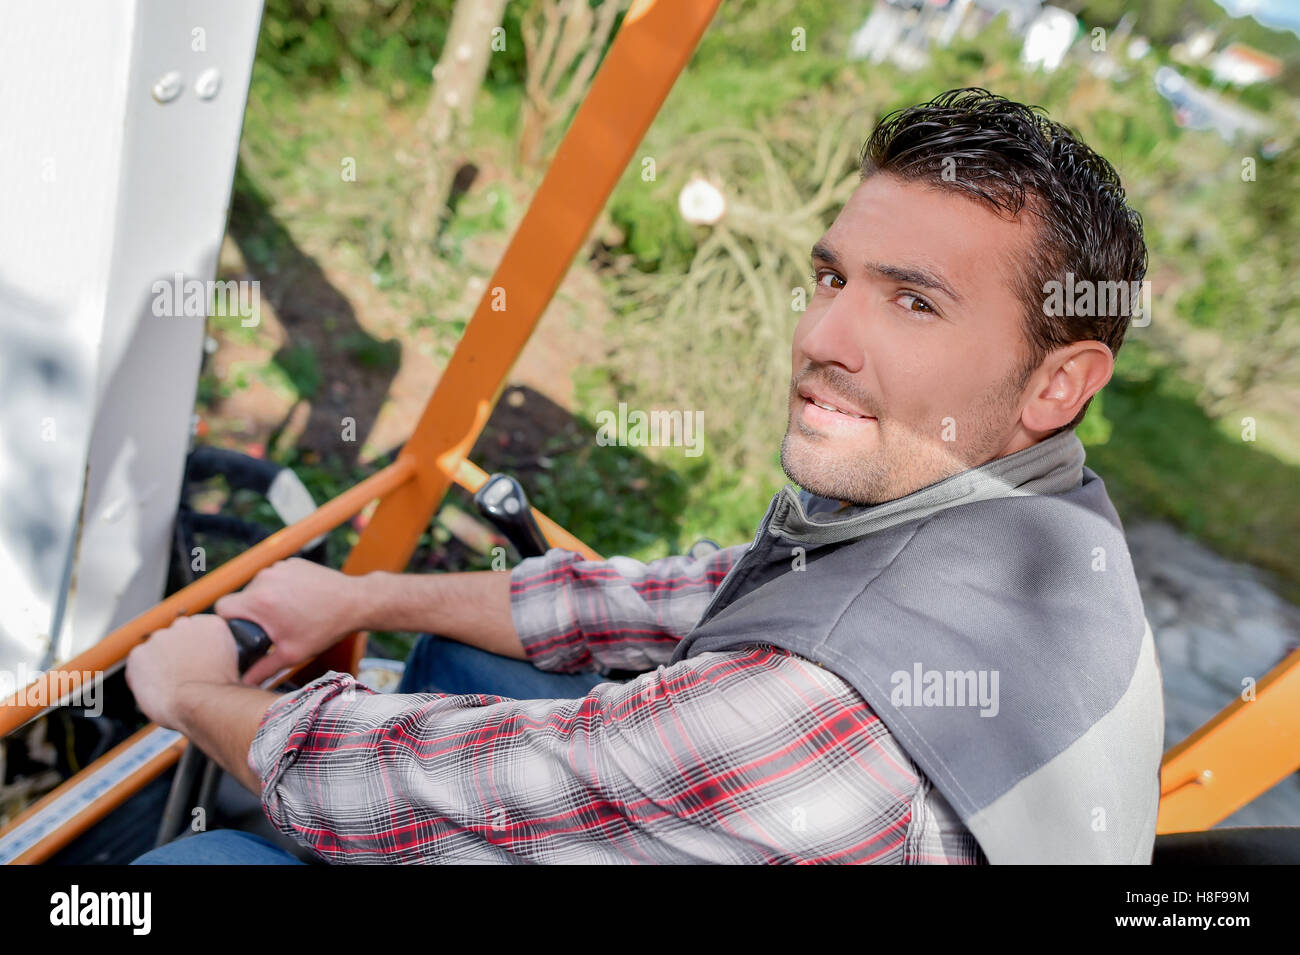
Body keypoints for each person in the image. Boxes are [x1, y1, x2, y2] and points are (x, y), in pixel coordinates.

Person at [129, 88, 1163, 865]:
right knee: (464, 659)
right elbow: (698, 594)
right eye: (832, 278)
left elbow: (402, 786)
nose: (820, 337)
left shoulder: (823, 705)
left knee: (204, 862)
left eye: (915, 304)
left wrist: (191, 696)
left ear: (1058, 381)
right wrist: (365, 595)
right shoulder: (1040, 525)